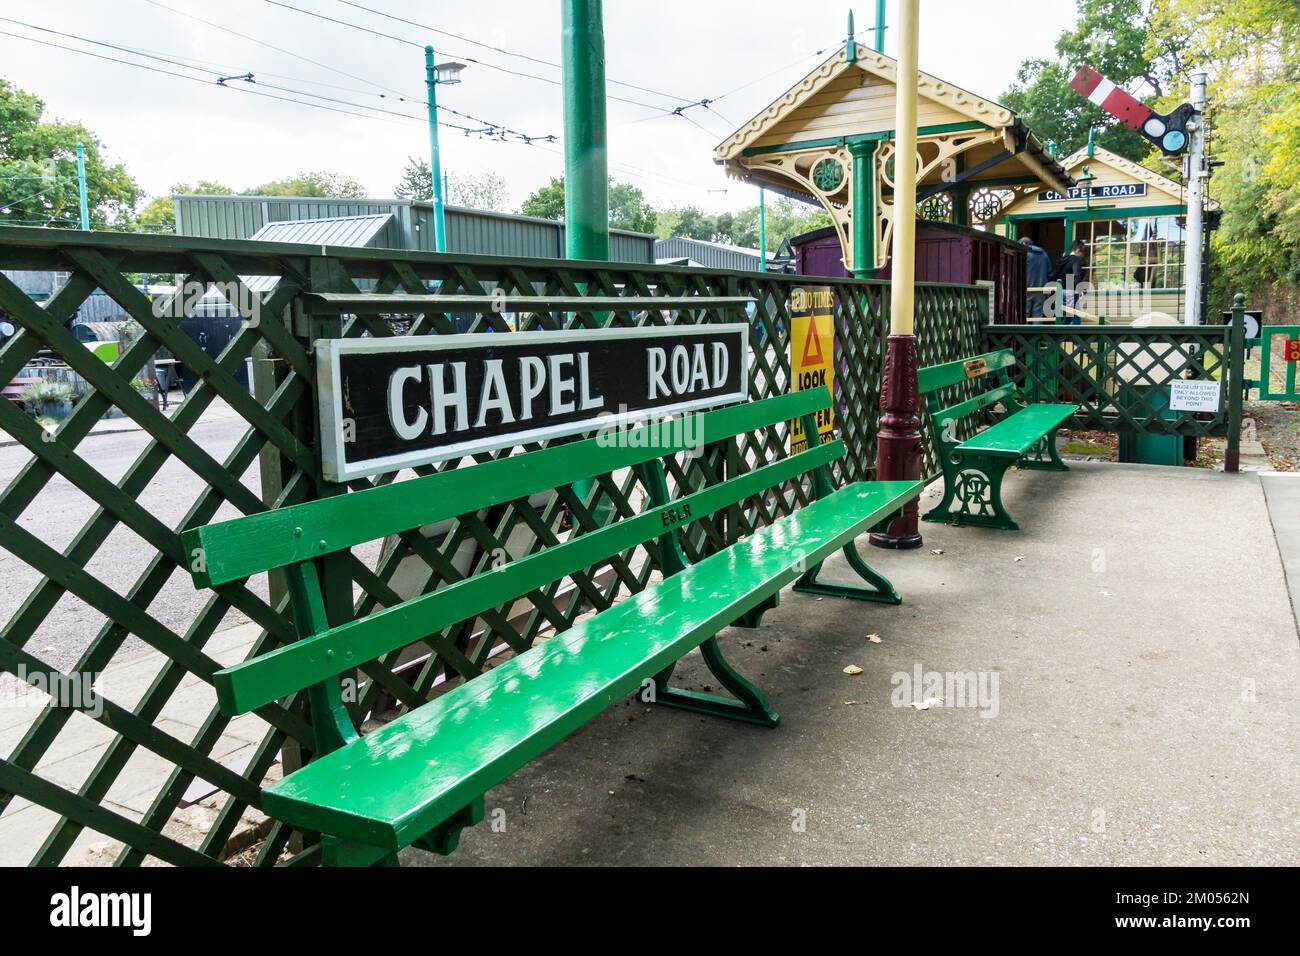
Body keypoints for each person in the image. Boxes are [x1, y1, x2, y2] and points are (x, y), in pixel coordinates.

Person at [1051, 240, 1088, 324]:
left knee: (1068, 316)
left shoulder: (1062, 260)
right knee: (1075, 315)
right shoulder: (1075, 260)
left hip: (1059, 291)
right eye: (1083, 253)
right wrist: (1080, 291)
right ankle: (1077, 335)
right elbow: (1077, 276)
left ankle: (1060, 334)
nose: (1083, 256)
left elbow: (1053, 275)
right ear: (1078, 250)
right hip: (1070, 290)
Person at [1020, 236, 1052, 319]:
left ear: (1023, 244)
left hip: (1026, 289)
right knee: (1038, 316)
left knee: (1024, 316)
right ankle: (1038, 332)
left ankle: (1024, 332)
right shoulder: (1044, 254)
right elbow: (1050, 273)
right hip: (1041, 290)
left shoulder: (1024, 254)